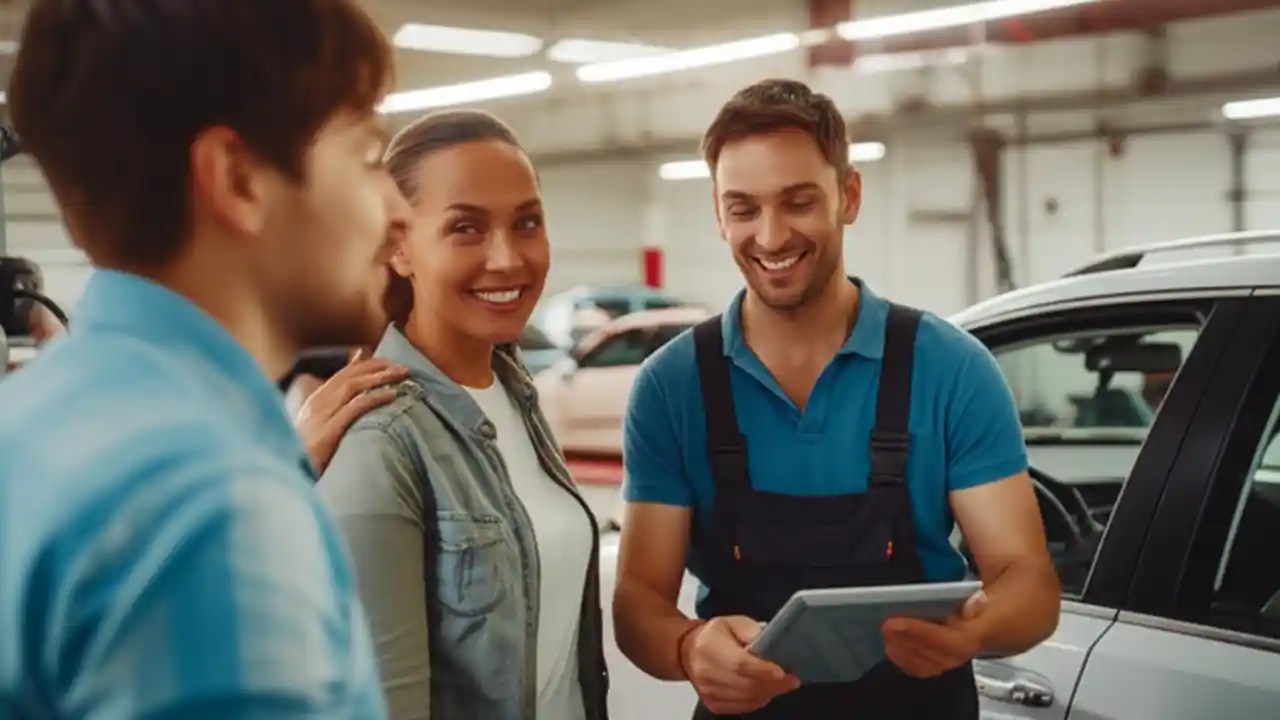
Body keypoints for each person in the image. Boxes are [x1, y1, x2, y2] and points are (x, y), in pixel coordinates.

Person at [0, 1, 410, 717]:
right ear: (237, 179)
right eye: (370, 157)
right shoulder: (210, 507)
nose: (399, 211)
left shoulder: (31, 424)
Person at [613, 79, 1061, 719]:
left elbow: (1029, 582)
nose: (769, 237)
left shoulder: (951, 369)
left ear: (848, 195)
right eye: (742, 209)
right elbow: (637, 600)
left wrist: (976, 631)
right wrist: (688, 647)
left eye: (797, 202)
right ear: (718, 213)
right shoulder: (672, 386)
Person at [317, 110, 610, 720]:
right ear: (399, 246)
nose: (507, 259)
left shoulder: (514, 391)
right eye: (466, 228)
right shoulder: (380, 438)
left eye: (526, 222)